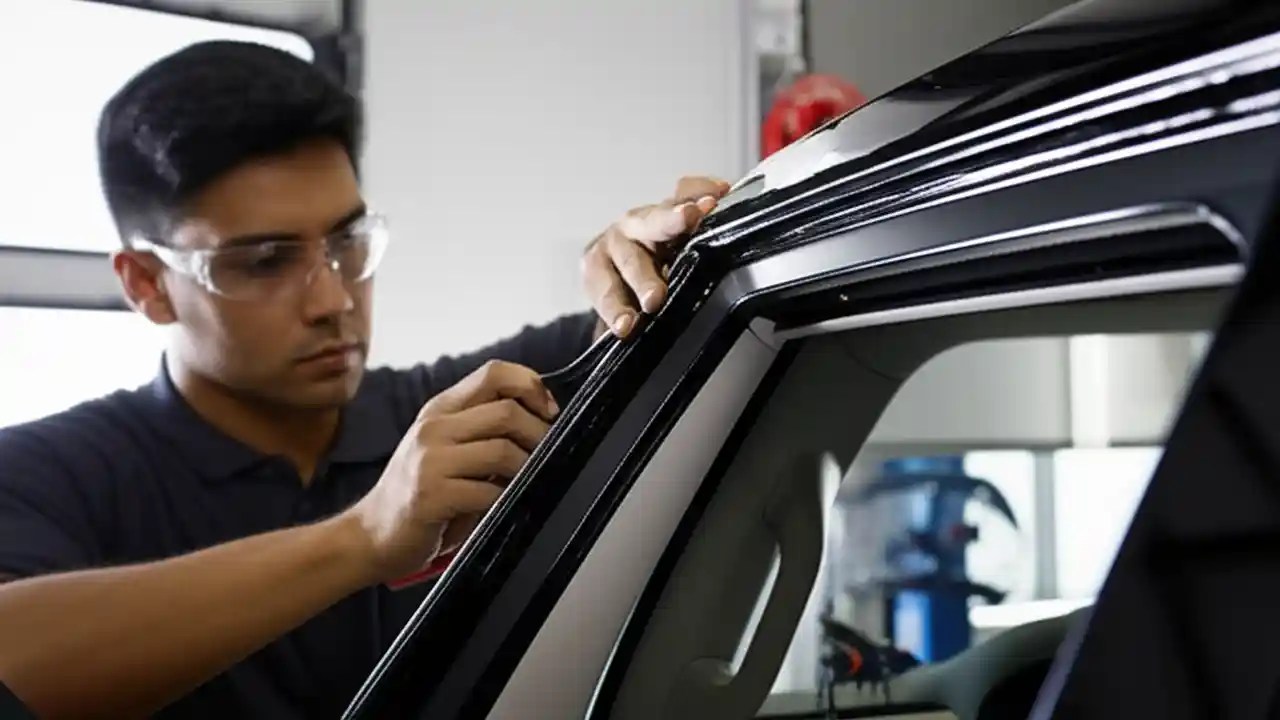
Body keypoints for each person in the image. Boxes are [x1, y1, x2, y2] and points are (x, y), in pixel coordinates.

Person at [0, 41, 728, 720]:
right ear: (147, 284)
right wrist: (364, 539)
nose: (333, 300)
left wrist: (650, 257)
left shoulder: (463, 410)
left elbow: (625, 332)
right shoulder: (49, 475)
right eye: (265, 261)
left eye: (347, 243)